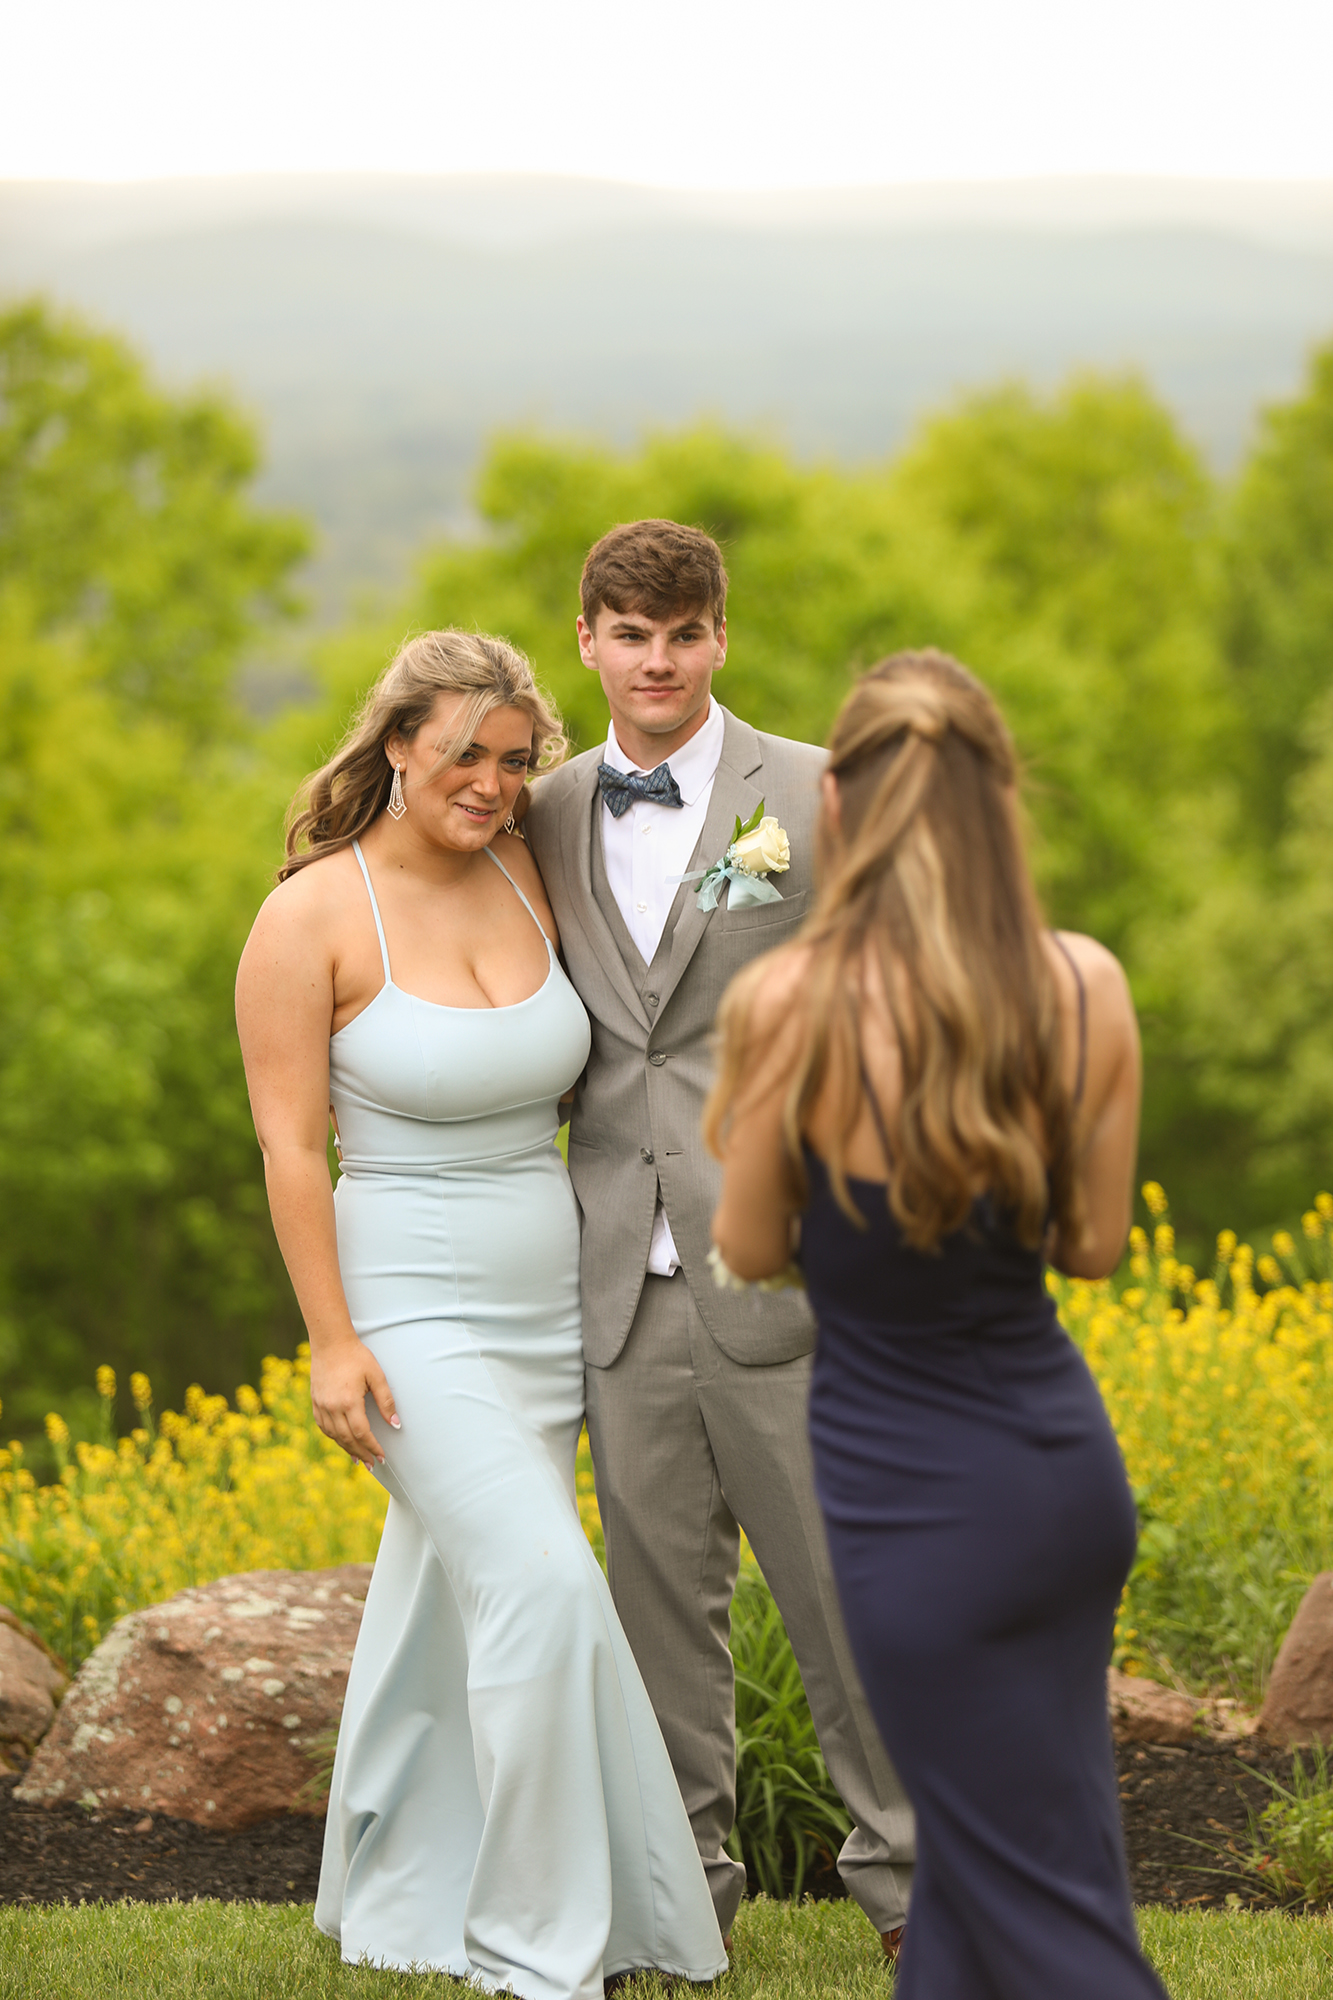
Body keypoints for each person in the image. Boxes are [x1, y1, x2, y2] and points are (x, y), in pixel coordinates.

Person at [234, 630, 725, 2000]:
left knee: (450, 1595)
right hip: (404, 1310)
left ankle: (398, 1880)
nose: (493, 784)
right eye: (464, 754)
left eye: (515, 761)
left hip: (552, 1293)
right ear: (396, 744)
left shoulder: (530, 869)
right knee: (542, 1587)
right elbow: (288, 1151)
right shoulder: (311, 915)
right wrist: (332, 1340)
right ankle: (538, 1944)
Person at [706, 649, 1167, 1998]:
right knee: (1015, 1858)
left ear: (835, 800)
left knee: (1038, 1901)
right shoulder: (1082, 985)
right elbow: (1089, 1247)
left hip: (905, 1496)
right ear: (997, 797)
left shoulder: (787, 1007)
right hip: (1058, 1477)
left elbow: (745, 1248)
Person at [525, 520, 915, 1951]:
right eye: (631, 634)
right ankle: (679, 1911)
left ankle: (914, 1898)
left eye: (684, 634)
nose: (658, 661)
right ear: (588, 642)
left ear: (718, 641)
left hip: (786, 1273)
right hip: (616, 1284)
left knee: (843, 1606)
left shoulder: (811, 793)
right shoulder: (545, 807)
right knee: (652, 1627)